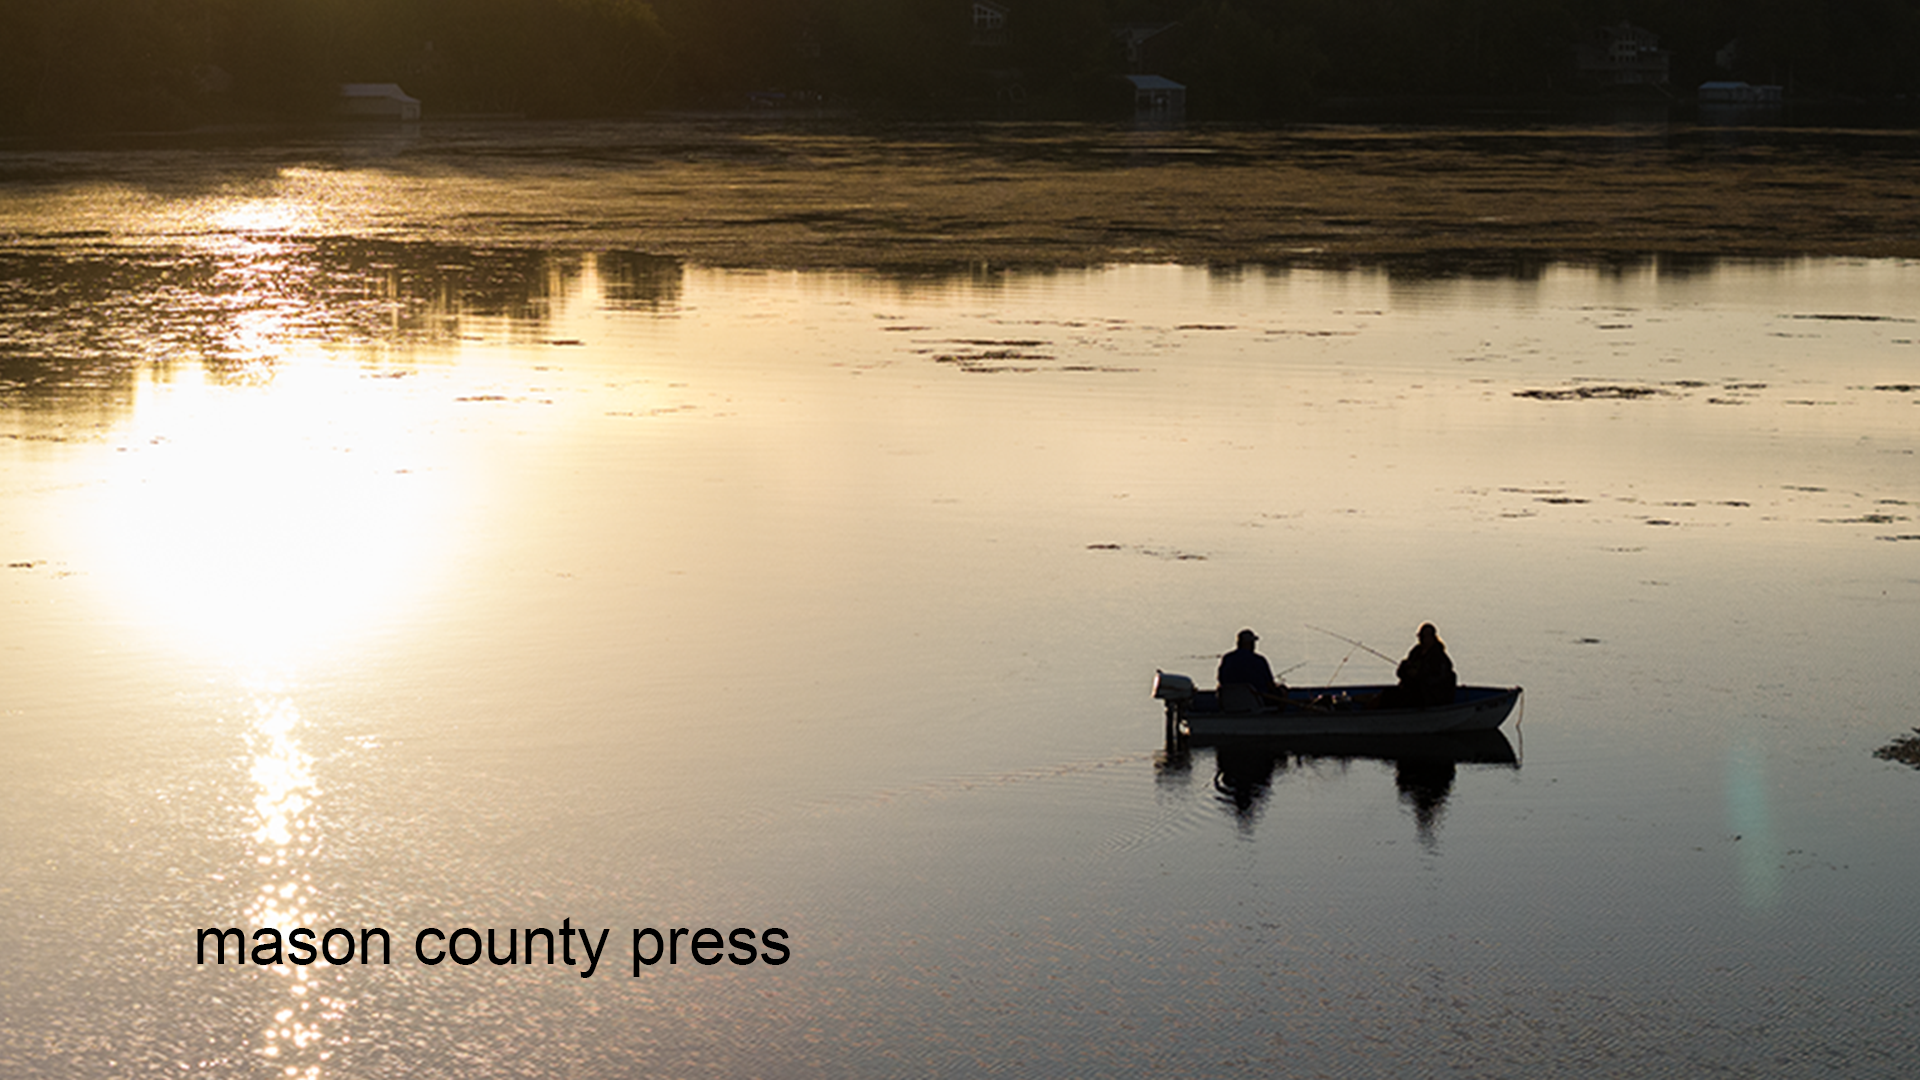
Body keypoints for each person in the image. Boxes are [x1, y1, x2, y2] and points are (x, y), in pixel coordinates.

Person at [1376, 623, 1457, 708]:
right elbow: (1403, 669)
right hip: (1412, 689)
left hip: (1428, 695)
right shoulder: (1416, 651)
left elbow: (1438, 679)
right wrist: (1405, 670)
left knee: (1399, 698)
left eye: (1424, 636)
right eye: (1420, 636)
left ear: (1432, 637)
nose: (1421, 639)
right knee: (1388, 693)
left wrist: (1418, 675)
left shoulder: (1439, 657)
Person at [1217, 628, 1284, 708]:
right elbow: (1270, 685)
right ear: (1250, 644)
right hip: (1256, 701)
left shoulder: (1227, 659)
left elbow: (1221, 680)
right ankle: (1278, 714)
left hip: (1230, 703)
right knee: (1282, 691)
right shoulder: (1259, 660)